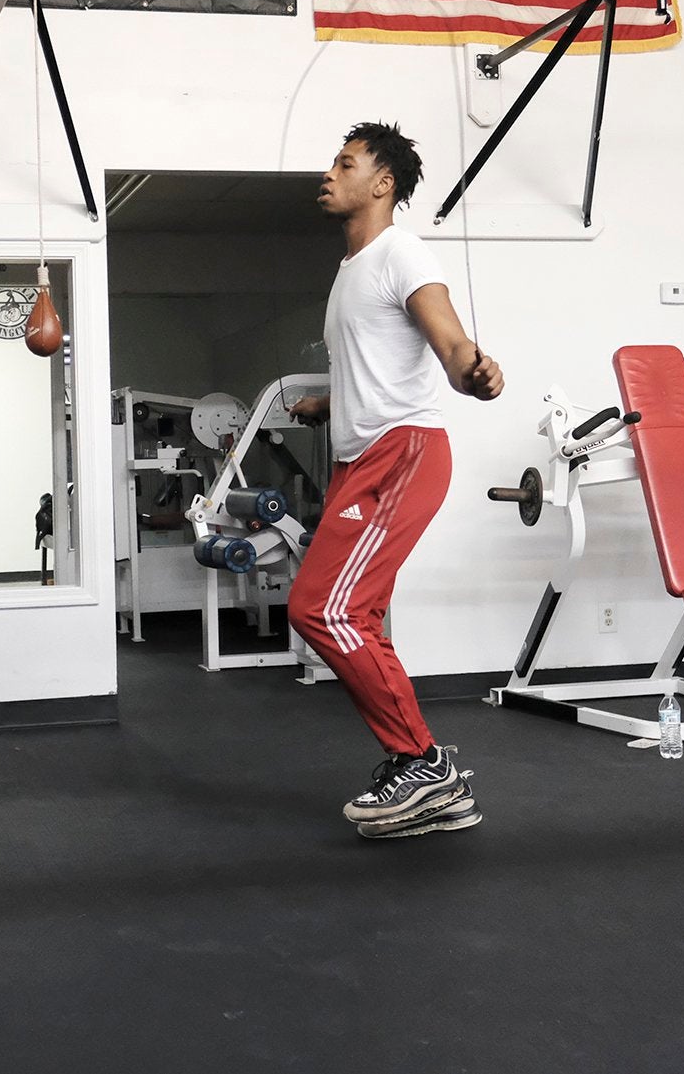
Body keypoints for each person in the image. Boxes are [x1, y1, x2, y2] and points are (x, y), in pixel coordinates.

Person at [283, 123, 502, 841]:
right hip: (362, 455)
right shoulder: (350, 270)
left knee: (322, 607)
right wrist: (327, 405)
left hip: (401, 454)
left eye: (344, 163)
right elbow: (374, 368)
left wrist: (473, 370)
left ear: (382, 184)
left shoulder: (400, 251)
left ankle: (422, 760)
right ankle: (428, 782)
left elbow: (447, 340)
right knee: (357, 615)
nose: (330, 173)